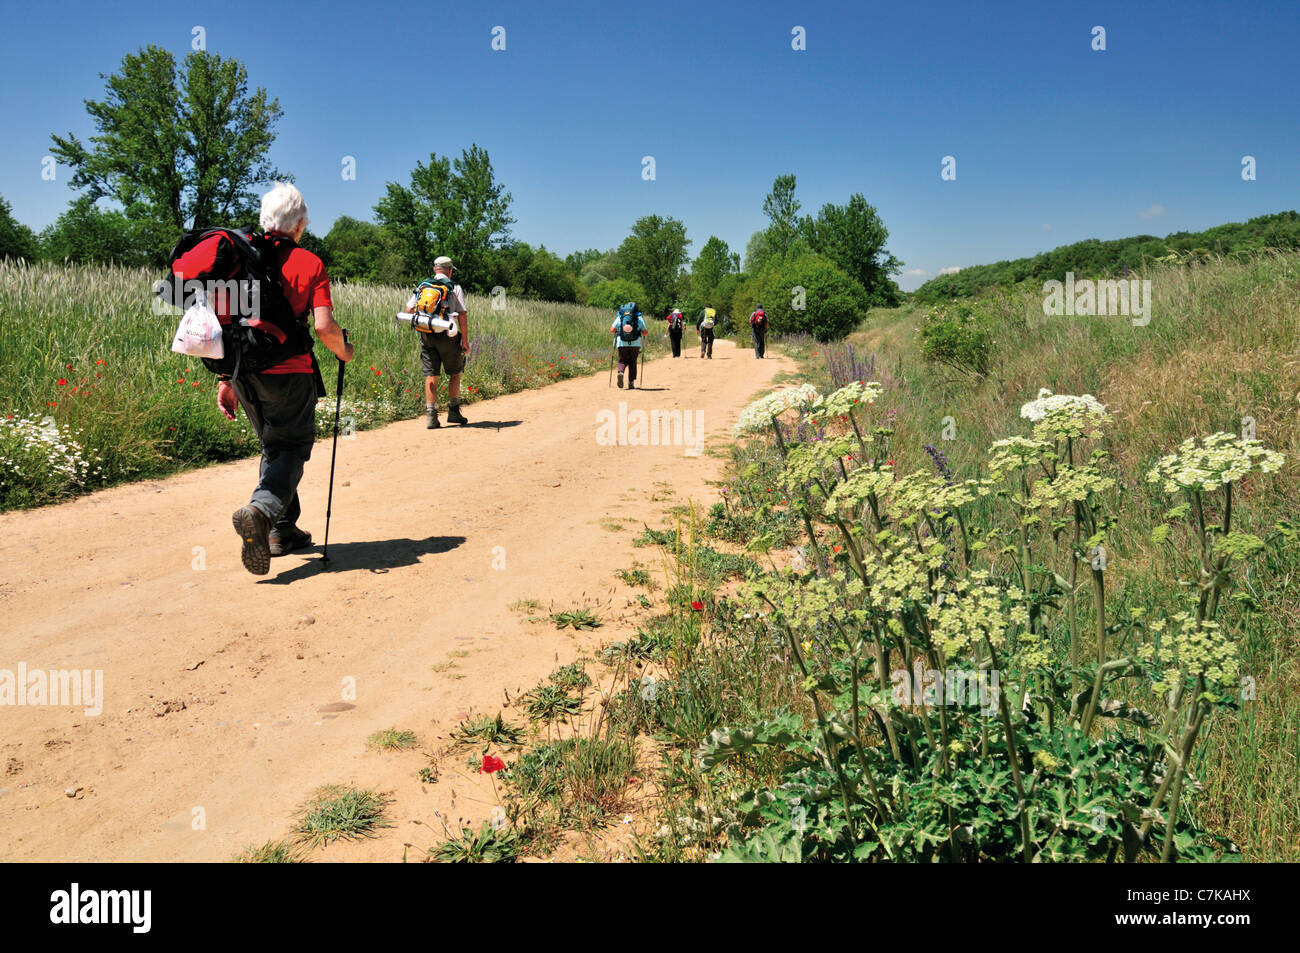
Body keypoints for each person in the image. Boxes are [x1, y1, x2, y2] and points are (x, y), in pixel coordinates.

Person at [172, 182, 354, 574]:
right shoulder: (310, 263)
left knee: (274, 446)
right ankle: (261, 511)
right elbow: (324, 328)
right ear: (300, 224)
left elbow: (229, 323)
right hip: (289, 373)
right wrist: (345, 351)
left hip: (241, 371)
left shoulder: (239, 257)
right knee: (291, 446)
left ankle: (281, 530)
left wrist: (225, 379)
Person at [404, 256, 470, 428]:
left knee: (431, 374)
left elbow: (409, 308)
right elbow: (462, 314)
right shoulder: (454, 287)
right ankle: (454, 412)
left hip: (426, 333)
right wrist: (465, 340)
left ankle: (431, 416)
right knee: (455, 372)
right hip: (448, 334)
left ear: (435, 269)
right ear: (450, 270)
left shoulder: (423, 286)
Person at [611, 301, 646, 388]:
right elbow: (645, 333)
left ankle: (620, 372)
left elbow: (612, 330)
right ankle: (631, 383)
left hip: (622, 343)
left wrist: (618, 330)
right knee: (632, 362)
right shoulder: (639, 318)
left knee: (622, 360)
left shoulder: (620, 317)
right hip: (635, 344)